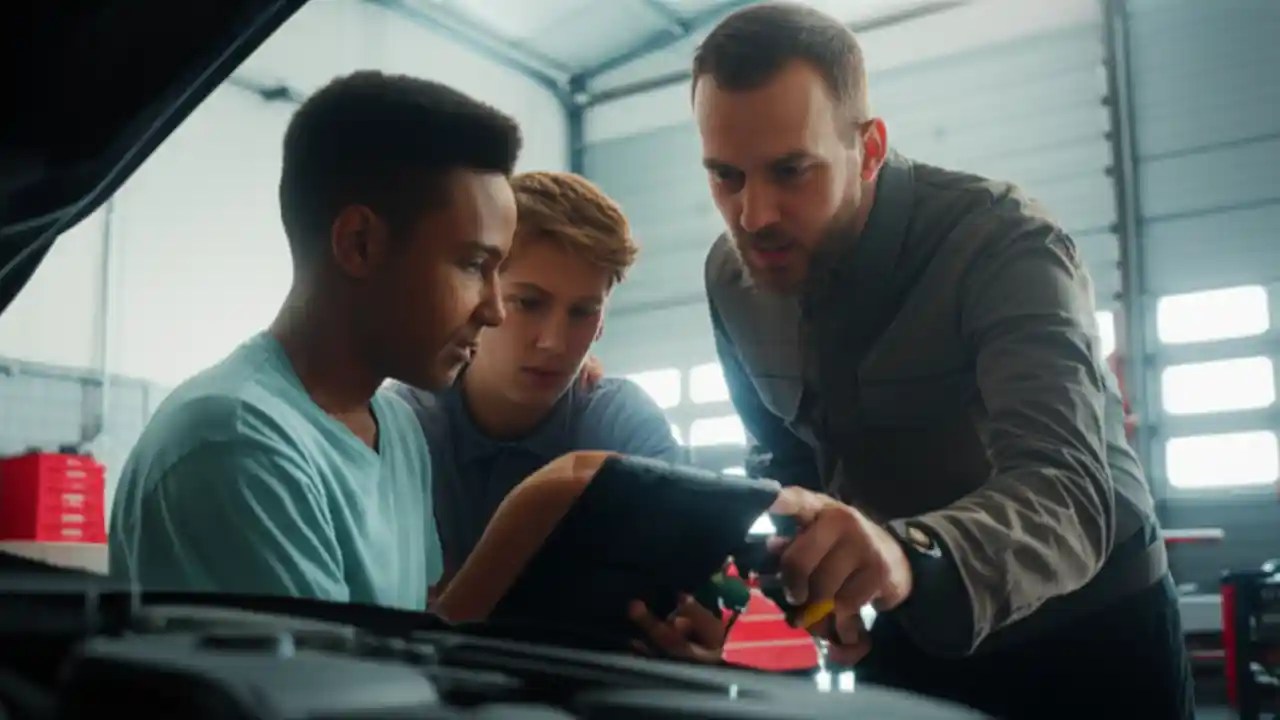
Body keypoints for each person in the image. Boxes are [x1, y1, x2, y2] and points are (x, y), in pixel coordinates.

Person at [690, 3, 1193, 718]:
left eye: (790, 171)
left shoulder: (1005, 243)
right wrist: (778, 604)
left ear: (867, 149)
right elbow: (785, 470)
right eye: (725, 176)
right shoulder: (731, 276)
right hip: (905, 630)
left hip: (1088, 635)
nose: (754, 215)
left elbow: (1069, 490)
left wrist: (906, 554)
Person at [107, 71, 521, 611]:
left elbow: (408, 637)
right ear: (359, 244)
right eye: (473, 265)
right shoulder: (237, 442)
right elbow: (319, 686)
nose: (495, 309)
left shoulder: (396, 428)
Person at [390, 171, 722, 661]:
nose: (554, 342)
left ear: (604, 320)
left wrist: (698, 633)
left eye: (582, 312)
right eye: (529, 303)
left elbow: (699, 593)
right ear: (480, 295)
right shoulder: (400, 425)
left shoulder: (622, 421)